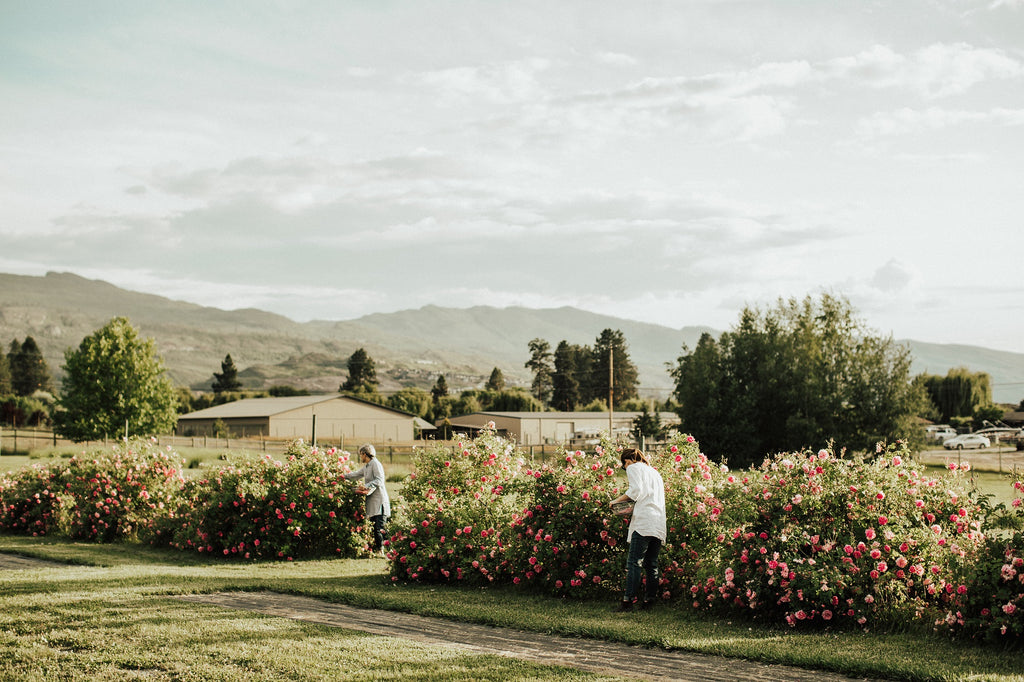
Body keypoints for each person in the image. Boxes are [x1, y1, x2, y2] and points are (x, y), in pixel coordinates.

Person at [609, 447, 666, 612]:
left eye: (623, 465)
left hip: (643, 522)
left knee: (634, 562)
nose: (625, 468)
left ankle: (628, 601)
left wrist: (615, 501)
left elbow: (636, 491)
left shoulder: (633, 467)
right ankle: (649, 601)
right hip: (658, 520)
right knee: (651, 563)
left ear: (627, 461)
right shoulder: (654, 472)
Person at [344, 443, 391, 556]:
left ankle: (384, 550)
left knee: (380, 527)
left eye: (361, 455)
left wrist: (366, 486)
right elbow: (356, 475)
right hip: (372, 500)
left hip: (379, 500)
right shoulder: (367, 466)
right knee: (375, 527)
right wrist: (343, 476)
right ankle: (380, 550)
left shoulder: (375, 464)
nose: (361, 457)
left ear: (365, 454)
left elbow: (380, 480)